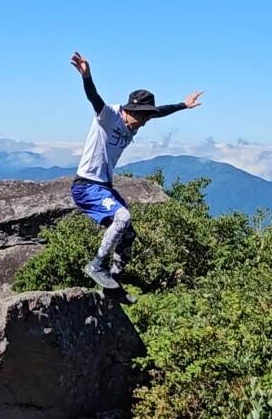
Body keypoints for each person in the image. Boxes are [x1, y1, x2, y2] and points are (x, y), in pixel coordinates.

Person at [68, 51, 202, 292]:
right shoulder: (109, 115)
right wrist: (86, 76)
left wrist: (184, 105)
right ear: (130, 109)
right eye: (141, 117)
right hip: (87, 185)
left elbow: (160, 111)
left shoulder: (136, 121)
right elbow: (94, 97)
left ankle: (114, 282)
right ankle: (97, 265)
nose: (142, 122)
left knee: (128, 234)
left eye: (146, 119)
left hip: (104, 186)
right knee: (123, 217)